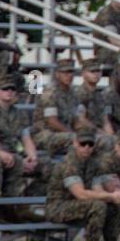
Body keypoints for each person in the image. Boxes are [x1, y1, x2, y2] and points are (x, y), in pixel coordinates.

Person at [45, 129, 120, 241]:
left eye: (90, 144)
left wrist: (113, 196)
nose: (87, 147)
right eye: (83, 144)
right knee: (98, 205)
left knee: (114, 206)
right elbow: (80, 194)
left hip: (79, 206)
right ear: (75, 143)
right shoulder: (69, 164)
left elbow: (97, 189)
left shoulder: (92, 164)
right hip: (58, 207)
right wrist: (111, 196)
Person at [0, 74, 41, 200]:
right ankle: (2, 206)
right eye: (5, 89)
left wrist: (32, 157)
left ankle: (26, 203)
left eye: (12, 89)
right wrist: (19, 159)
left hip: (17, 153)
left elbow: (26, 139)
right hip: (0, 154)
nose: (9, 92)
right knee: (13, 163)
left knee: (47, 166)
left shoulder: (19, 112)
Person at [31, 58, 80, 188]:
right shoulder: (50, 92)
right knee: (77, 140)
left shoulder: (71, 93)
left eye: (71, 72)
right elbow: (52, 122)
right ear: (57, 74)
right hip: (44, 134)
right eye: (65, 72)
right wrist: (73, 134)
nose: (69, 76)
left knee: (89, 140)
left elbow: (75, 120)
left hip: (63, 135)